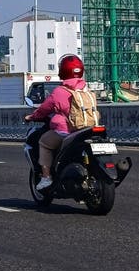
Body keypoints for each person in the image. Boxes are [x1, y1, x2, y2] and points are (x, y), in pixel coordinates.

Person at [23, 53, 93, 192]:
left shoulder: (59, 92)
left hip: (65, 131)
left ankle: (46, 176)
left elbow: (43, 110)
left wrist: (32, 117)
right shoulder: (86, 89)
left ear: (63, 71)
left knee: (44, 142)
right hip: (87, 129)